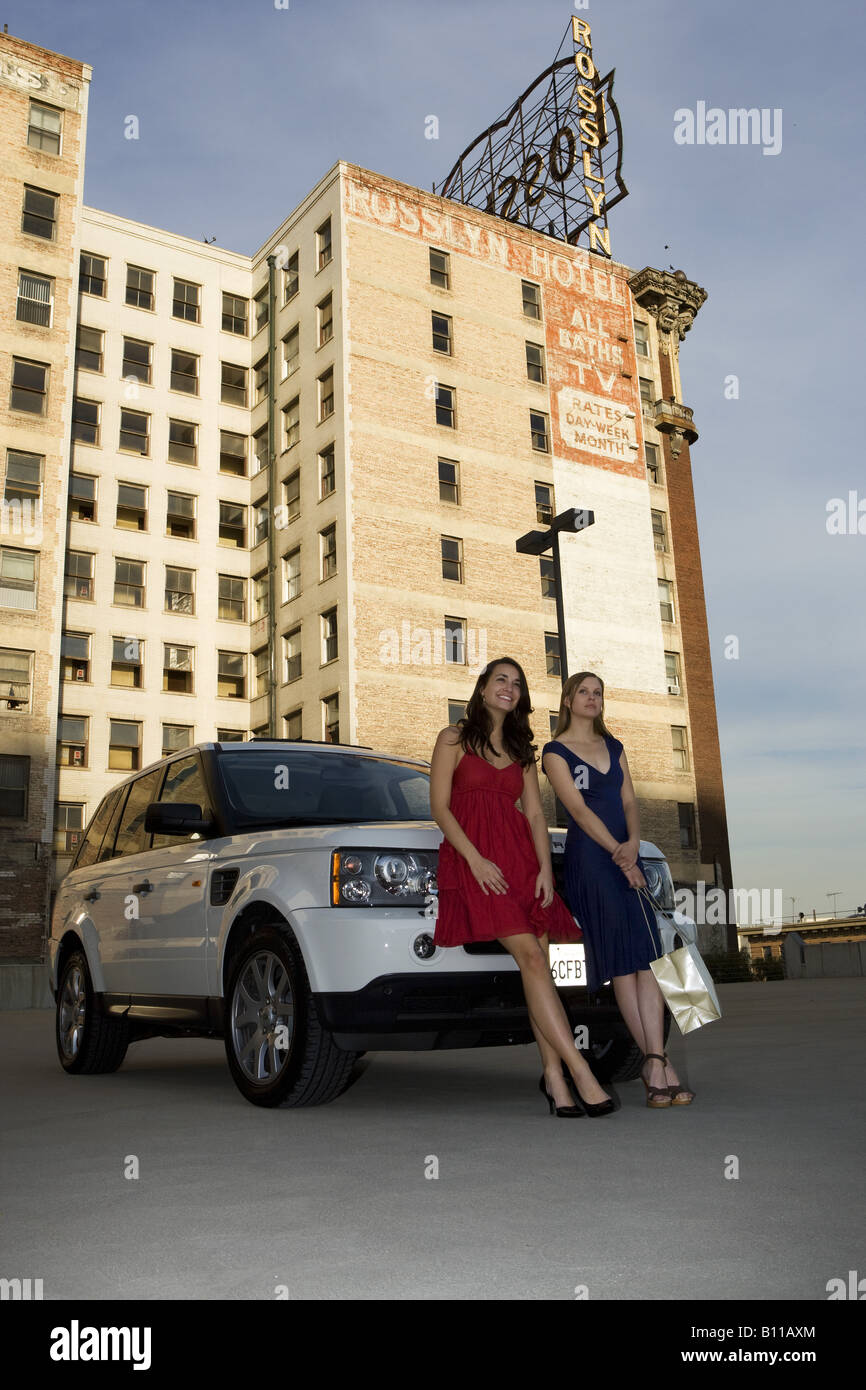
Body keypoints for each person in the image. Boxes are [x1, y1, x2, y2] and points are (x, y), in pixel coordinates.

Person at [430, 657, 616, 1117]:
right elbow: (439, 808)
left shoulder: (522, 749)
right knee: (532, 958)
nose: (508, 688)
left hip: (520, 862)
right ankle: (580, 1070)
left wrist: (545, 873)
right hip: (477, 862)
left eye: (516, 683)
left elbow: (534, 814)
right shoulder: (453, 738)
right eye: (501, 680)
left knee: (539, 970)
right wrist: (474, 860)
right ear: (483, 687)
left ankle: (553, 1077)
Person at [541, 670, 695, 1108]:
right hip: (592, 862)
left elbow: (628, 801)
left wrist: (633, 844)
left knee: (649, 958)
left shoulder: (615, 747)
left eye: (598, 693)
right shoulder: (555, 753)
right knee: (623, 964)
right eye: (583, 692)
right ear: (568, 700)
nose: (592, 699)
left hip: (626, 855)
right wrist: (619, 854)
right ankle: (656, 1064)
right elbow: (578, 811)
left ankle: (656, 1060)